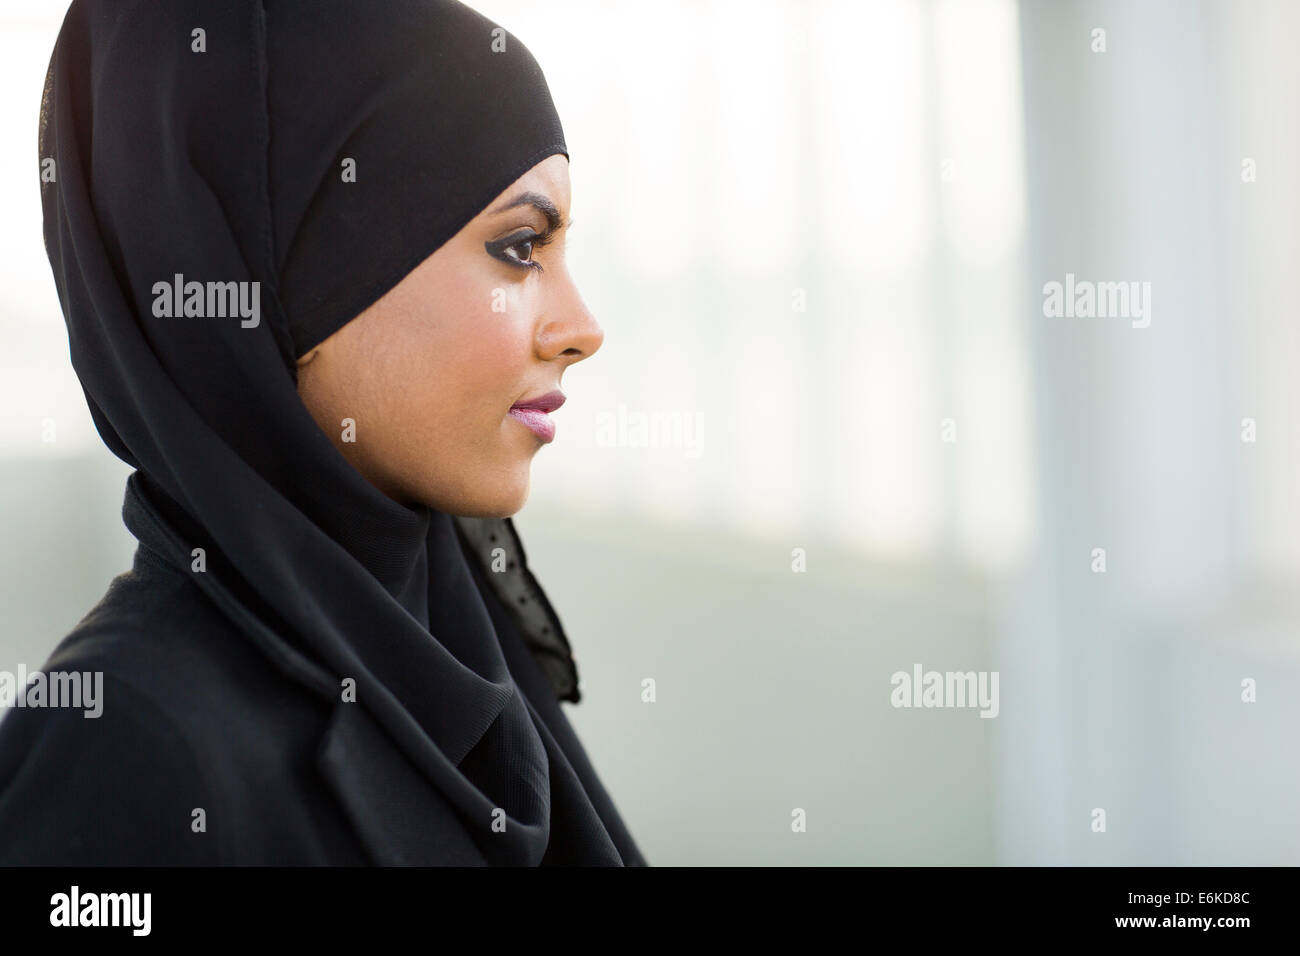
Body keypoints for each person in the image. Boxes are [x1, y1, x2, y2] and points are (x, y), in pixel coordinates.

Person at [0, 0, 647, 866]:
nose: (581, 328)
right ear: (288, 272)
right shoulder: (123, 755)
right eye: (520, 246)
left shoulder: (451, 649)